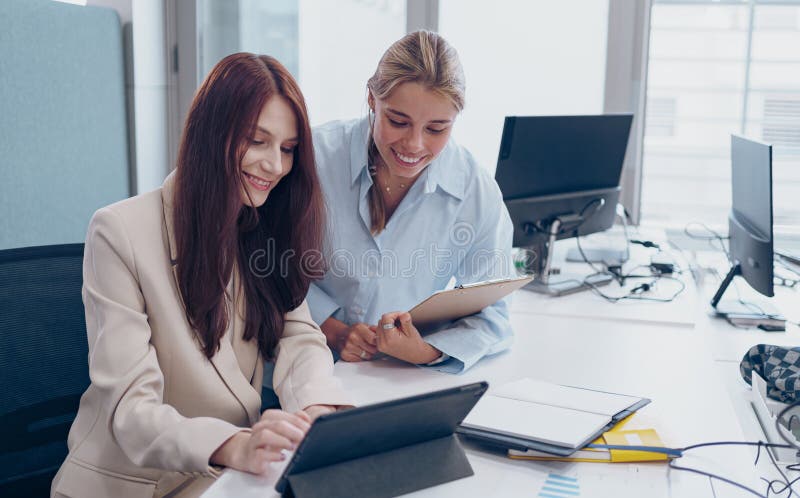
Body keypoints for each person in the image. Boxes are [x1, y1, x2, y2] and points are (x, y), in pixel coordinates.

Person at [51, 53, 351, 498]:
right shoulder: (119, 232)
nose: (275, 165)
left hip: (225, 478)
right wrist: (234, 444)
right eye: (257, 141)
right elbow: (132, 411)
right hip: (138, 484)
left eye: (288, 149)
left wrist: (315, 409)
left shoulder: (261, 223)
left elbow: (299, 336)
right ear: (212, 135)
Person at [307, 31, 515, 374]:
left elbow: (494, 316)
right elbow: (260, 274)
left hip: (395, 382)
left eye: (436, 129)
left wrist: (425, 351)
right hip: (295, 371)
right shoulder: (315, 159)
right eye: (398, 121)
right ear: (372, 99)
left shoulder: (475, 190)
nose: (414, 144)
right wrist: (332, 330)